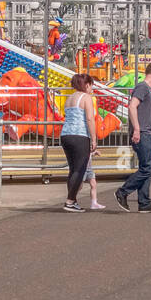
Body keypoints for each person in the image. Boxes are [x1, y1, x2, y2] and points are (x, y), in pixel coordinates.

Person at [115, 62, 151, 212]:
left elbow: (143, 113)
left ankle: (144, 202)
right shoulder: (143, 87)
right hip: (142, 133)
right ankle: (123, 191)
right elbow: (132, 106)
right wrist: (137, 129)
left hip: (146, 132)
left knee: (147, 168)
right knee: (146, 168)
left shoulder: (145, 89)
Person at [60, 73, 97, 211]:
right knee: (79, 169)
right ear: (86, 85)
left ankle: (73, 200)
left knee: (72, 169)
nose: (91, 88)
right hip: (80, 135)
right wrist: (93, 138)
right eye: (91, 85)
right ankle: (70, 201)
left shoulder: (69, 98)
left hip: (66, 135)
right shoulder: (86, 97)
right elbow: (89, 119)